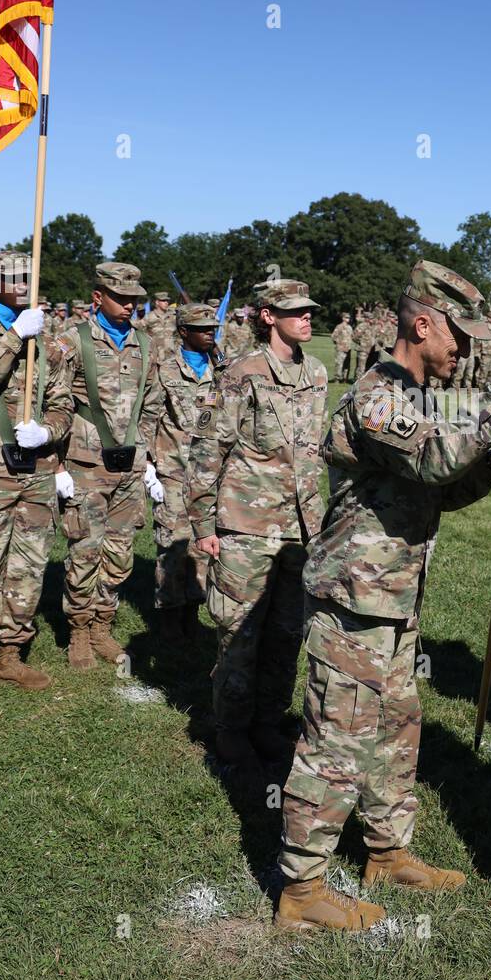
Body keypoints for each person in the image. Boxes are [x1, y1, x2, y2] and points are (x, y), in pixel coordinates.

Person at [274, 260, 491, 933]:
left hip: (394, 595)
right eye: (459, 333)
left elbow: (437, 485)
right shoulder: (376, 392)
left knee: (397, 729)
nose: (466, 347)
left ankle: (386, 850)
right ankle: (301, 890)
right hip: (355, 598)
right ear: (421, 324)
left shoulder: (421, 394)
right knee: (336, 740)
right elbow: (432, 459)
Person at [185, 279, 328, 768]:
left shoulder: (318, 373)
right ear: (268, 316)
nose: (307, 318)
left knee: (286, 636)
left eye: (310, 311)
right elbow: (208, 451)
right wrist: (204, 524)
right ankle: (230, 730)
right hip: (245, 526)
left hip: (300, 531)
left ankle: (268, 722)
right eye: (296, 311)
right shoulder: (241, 374)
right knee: (240, 636)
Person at [56, 263, 164, 670]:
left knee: (120, 551)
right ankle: (79, 631)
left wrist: (148, 453)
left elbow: (152, 402)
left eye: (135, 299)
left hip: (131, 464)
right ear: (98, 297)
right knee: (85, 549)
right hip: (86, 462)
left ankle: (103, 623)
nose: (130, 306)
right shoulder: (73, 340)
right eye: (121, 298)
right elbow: (56, 400)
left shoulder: (146, 344)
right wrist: (56, 464)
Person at [0, 254, 73, 690]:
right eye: (13, 278)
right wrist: (10, 339)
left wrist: (48, 432)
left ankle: (9, 652)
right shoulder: (14, 332)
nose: (23, 284)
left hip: (35, 469)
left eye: (29, 276)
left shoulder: (47, 339)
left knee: (29, 562)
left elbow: (64, 402)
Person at [150, 304, 225, 645]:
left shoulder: (223, 370)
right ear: (183, 331)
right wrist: (147, 465)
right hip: (174, 471)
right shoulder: (165, 370)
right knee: (172, 544)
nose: (210, 332)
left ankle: (193, 610)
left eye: (213, 327)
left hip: (210, 475)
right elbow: (148, 417)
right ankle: (167, 613)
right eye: (202, 328)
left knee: (202, 544)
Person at [331, 312, 353, 381]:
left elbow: (351, 337)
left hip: (348, 348)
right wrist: (339, 344)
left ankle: (345, 378)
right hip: (341, 349)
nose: (348, 319)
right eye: (346, 317)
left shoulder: (349, 327)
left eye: (349, 318)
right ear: (343, 318)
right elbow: (333, 336)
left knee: (346, 365)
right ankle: (337, 378)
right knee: (339, 364)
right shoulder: (339, 326)